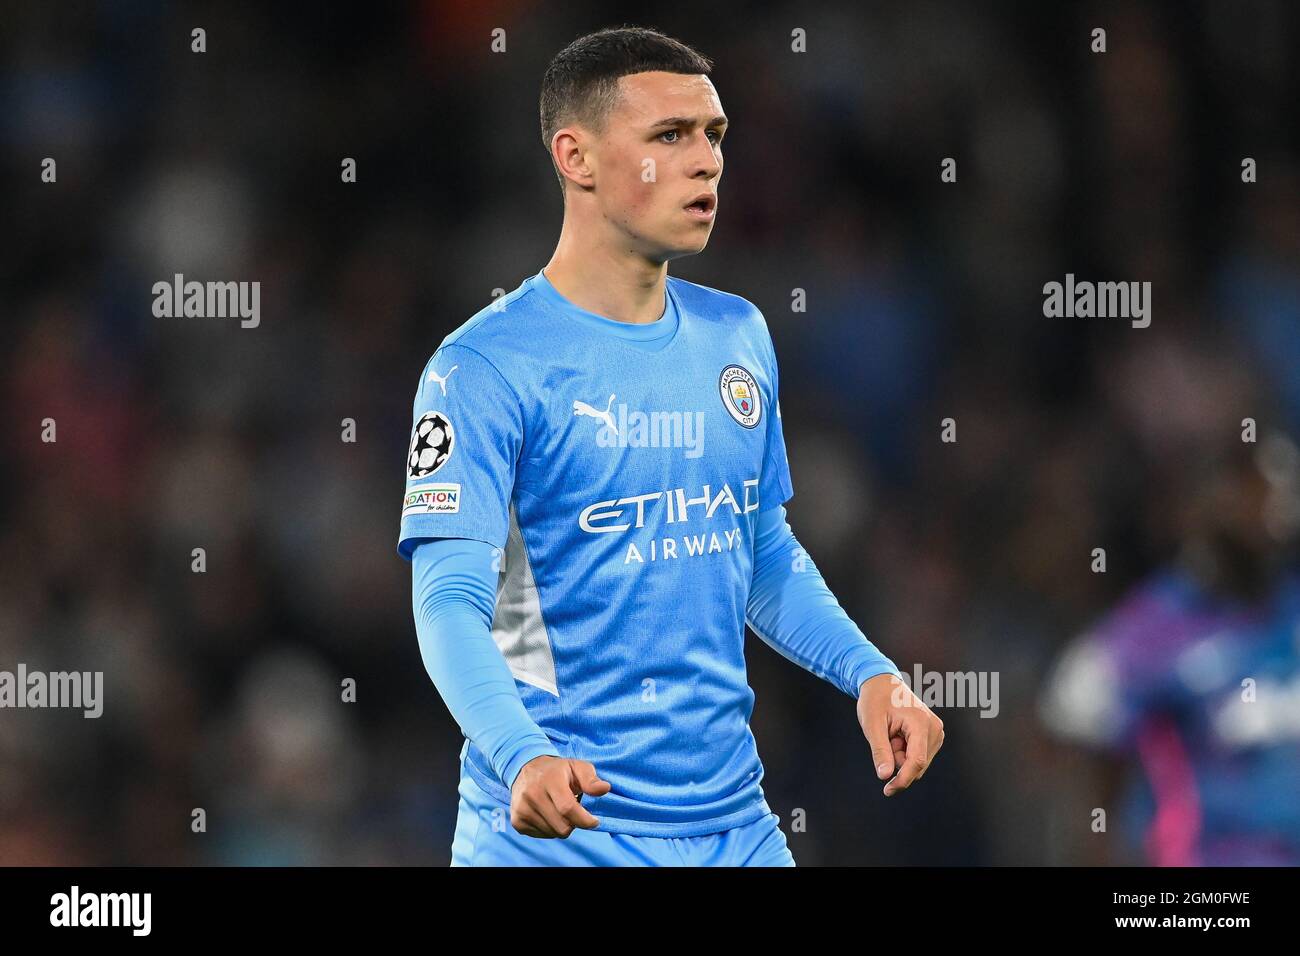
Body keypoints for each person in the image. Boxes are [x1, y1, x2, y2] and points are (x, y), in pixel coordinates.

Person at [397, 25, 943, 866]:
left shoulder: (737, 336)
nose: (709, 160)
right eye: (670, 135)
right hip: (562, 835)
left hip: (737, 830)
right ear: (575, 158)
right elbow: (445, 601)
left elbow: (758, 548)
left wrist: (870, 674)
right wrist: (522, 755)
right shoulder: (482, 368)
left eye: (714, 134)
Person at [1040, 429, 1300, 865]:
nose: (1277, 507)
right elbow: (1076, 721)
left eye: (1286, 488)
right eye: (1257, 488)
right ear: (1209, 502)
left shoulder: (1291, 610)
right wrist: (1098, 840)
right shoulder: (1153, 627)